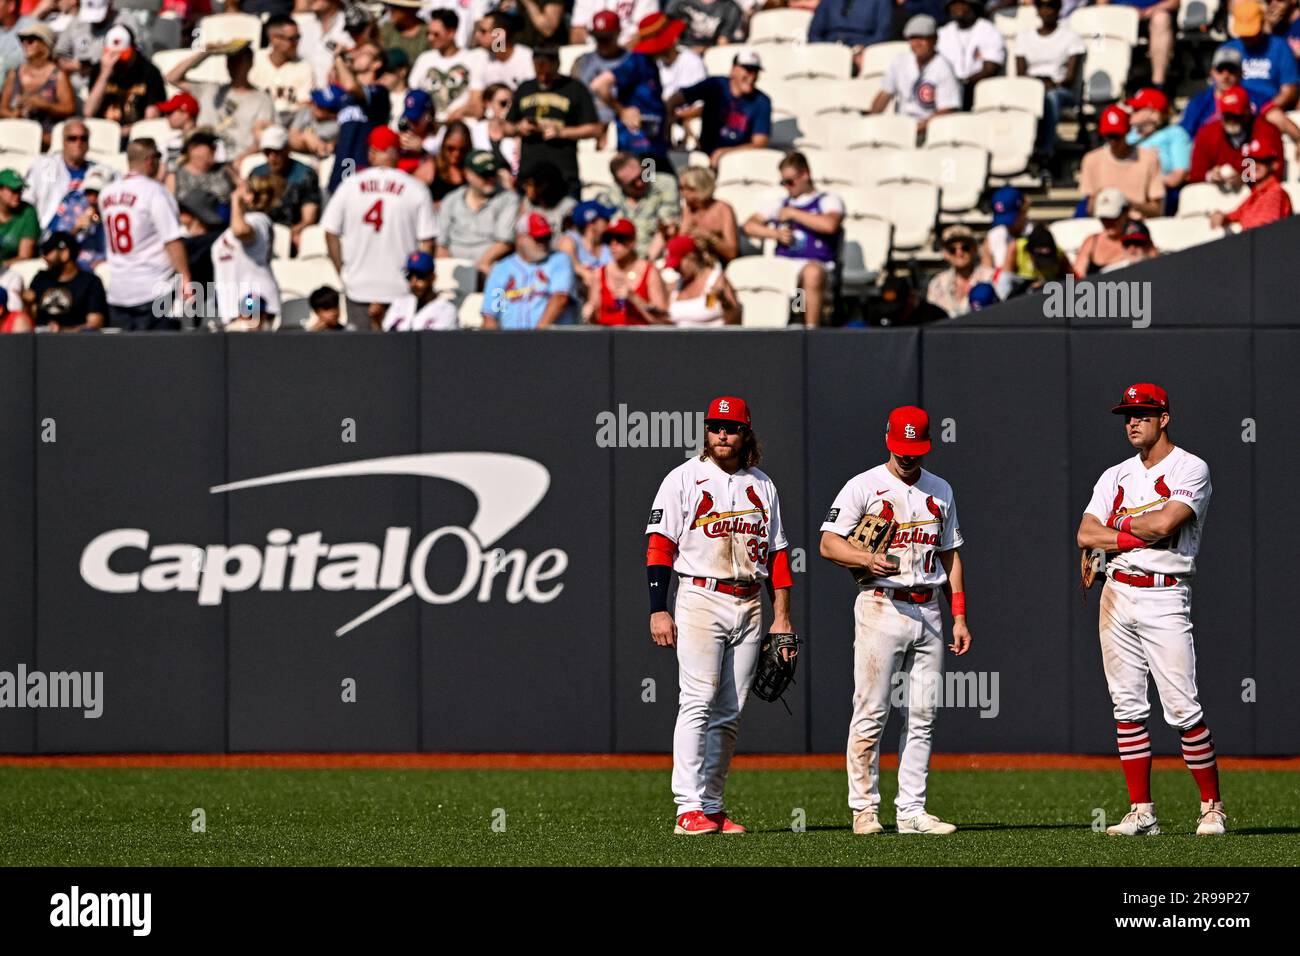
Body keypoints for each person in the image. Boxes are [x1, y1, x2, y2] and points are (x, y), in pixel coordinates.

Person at [1075, 383, 1226, 838]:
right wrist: (1132, 531)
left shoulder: (1190, 467)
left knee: (1183, 707)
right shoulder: (1114, 475)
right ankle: (1142, 812)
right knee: (1127, 707)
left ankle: (1211, 808)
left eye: (1142, 413)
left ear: (1164, 418)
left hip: (1165, 593)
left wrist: (1116, 526)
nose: (1132, 422)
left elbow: (1164, 524)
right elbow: (1085, 534)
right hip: (1116, 592)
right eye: (1127, 415)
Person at [819, 405, 971, 836]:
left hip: (929, 608)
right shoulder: (863, 485)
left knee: (923, 715)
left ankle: (911, 812)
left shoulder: (940, 489)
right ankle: (864, 810)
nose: (908, 456)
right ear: (888, 439)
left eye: (915, 448)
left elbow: (950, 555)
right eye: (901, 447)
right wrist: (866, 558)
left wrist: (958, 615)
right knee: (871, 711)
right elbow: (828, 543)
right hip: (880, 604)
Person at [646, 395, 793, 836]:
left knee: (730, 709)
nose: (722, 434)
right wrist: (658, 610)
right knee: (697, 700)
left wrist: (781, 616)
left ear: (745, 433)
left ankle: (711, 806)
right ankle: (686, 807)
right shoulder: (684, 478)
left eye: (730, 427)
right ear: (706, 432)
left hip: (750, 602)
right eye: (715, 427)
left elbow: (778, 555)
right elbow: (659, 547)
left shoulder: (763, 485)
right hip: (700, 597)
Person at [321, 126, 438, 328]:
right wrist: (418, 281)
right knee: (401, 356)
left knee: (361, 356)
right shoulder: (416, 188)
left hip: (359, 286)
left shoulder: (350, 185)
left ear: (372, 152)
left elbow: (330, 233)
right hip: (401, 288)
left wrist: (343, 271)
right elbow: (427, 242)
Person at [742, 151, 844, 327]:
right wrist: (775, 234)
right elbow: (749, 226)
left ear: (805, 175)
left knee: (809, 274)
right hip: (784, 268)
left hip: (815, 267)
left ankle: (809, 328)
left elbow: (830, 225)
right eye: (783, 182)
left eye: (790, 181)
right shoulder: (780, 203)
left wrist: (794, 214)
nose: (787, 187)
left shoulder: (827, 200)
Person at [97, 139, 190, 330]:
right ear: (149, 160)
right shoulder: (155, 192)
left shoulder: (105, 194)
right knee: (157, 357)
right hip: (153, 290)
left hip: (119, 291)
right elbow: (171, 239)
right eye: (158, 157)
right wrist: (186, 277)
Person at [590, 14, 684, 175]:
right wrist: (622, 111)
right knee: (650, 187)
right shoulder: (637, 61)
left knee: (666, 185)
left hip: (654, 147)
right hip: (640, 148)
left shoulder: (650, 63)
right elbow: (598, 85)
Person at [504, 46, 601, 196]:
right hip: (530, 175)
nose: (543, 78)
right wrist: (519, 128)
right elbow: (506, 127)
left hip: (564, 173)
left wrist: (561, 132)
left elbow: (595, 129)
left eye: (547, 73)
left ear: (557, 64)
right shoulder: (525, 88)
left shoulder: (575, 88)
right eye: (538, 72)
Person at [166, 40, 276, 160]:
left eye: (238, 61)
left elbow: (262, 140)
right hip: (202, 159)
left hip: (237, 161)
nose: (233, 65)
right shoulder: (210, 90)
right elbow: (172, 77)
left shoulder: (262, 99)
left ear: (250, 63)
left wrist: (240, 160)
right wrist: (205, 52)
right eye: (230, 60)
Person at [667, 51, 771, 172]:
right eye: (748, 69)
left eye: (756, 71)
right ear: (733, 70)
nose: (752, 76)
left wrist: (723, 153)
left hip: (739, 164)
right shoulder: (716, 85)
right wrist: (666, 134)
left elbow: (759, 143)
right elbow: (675, 99)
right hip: (704, 157)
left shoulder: (761, 102)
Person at [1015, 0, 1084, 164]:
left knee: (1050, 97)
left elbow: (1070, 77)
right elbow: (1020, 73)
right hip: (1032, 88)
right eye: (1042, 6)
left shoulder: (1071, 37)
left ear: (1059, 9)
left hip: (1061, 91)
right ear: (1037, 10)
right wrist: (1038, 85)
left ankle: (1046, 152)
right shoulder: (1024, 37)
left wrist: (1052, 84)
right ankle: (1020, 153)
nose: (1047, 10)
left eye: (1051, 5)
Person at [870, 15, 961, 138]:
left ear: (934, 39)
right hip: (901, 125)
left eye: (922, 38)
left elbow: (947, 110)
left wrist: (916, 129)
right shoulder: (900, 61)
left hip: (930, 131)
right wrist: (871, 121)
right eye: (913, 38)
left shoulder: (943, 67)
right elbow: (884, 94)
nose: (917, 43)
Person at [210, 175, 281, 331]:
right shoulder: (248, 219)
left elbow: (241, 231)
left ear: (250, 197)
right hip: (236, 304)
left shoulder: (257, 220)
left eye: (241, 190)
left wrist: (236, 200)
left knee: (251, 349)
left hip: (252, 298)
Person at [436, 149, 521, 276]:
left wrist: (475, 270)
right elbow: (441, 245)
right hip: (454, 268)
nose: (490, 179)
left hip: (488, 268)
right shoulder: (451, 200)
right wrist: (448, 272)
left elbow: (505, 242)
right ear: (467, 174)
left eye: (493, 173)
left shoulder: (508, 199)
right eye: (484, 174)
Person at [480, 211, 573, 328]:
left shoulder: (558, 259)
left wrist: (535, 337)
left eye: (547, 237)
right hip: (510, 340)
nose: (543, 243)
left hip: (550, 339)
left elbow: (560, 299)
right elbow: (492, 315)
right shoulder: (502, 268)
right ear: (520, 238)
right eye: (538, 238)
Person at [326, 42, 392, 193]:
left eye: (365, 53)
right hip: (341, 167)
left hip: (363, 171)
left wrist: (338, 58)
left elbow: (350, 85)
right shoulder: (345, 97)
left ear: (377, 64)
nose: (357, 55)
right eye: (358, 51)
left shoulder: (379, 92)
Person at [1078, 105, 1165, 218]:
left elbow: (1157, 210)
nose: (1113, 142)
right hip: (1105, 222)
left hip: (1136, 225)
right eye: (1109, 136)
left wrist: (1129, 204)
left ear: (1127, 132)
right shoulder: (1091, 160)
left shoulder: (1149, 158)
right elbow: (1090, 208)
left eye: (1116, 136)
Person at [1189, 86, 1285, 187]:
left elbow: (1277, 171)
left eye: (1235, 115)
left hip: (1257, 195)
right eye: (1227, 116)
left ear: (1247, 112)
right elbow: (1195, 175)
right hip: (1218, 198)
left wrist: (1244, 177)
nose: (1231, 120)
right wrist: (1211, 175)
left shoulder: (1266, 130)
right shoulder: (1207, 133)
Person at [23, 118, 108, 228]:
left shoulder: (101, 171)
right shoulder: (46, 166)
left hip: (87, 236)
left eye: (83, 138)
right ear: (63, 141)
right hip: (48, 234)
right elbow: (27, 200)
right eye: (72, 138)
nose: (79, 143)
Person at [596, 151, 682, 258]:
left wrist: (646, 262)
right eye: (632, 183)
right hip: (621, 259)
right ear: (619, 184)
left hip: (657, 257)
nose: (640, 183)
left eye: (642, 176)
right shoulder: (608, 198)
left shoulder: (664, 184)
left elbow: (667, 226)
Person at [586, 216, 669, 324]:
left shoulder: (649, 271)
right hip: (609, 338)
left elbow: (662, 319)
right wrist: (589, 314)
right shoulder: (599, 273)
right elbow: (595, 317)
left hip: (640, 337)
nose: (613, 244)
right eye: (609, 240)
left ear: (632, 242)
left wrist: (634, 298)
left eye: (619, 239)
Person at [1216, 0, 1298, 110]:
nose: (1247, 37)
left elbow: (1289, 91)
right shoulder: (1227, 50)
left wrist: (1266, 110)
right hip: (1235, 109)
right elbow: (1218, 89)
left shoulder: (1280, 47)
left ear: (1262, 22)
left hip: (1271, 109)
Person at [249, 126, 321, 251]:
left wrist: (285, 236)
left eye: (276, 151)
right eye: (267, 152)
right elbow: (250, 211)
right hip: (260, 234)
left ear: (287, 150)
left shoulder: (305, 175)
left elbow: (309, 218)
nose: (272, 157)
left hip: (292, 234)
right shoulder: (256, 174)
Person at [83, 24, 167, 130]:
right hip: (103, 131)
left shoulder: (149, 72)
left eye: (123, 55)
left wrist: (127, 131)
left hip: (136, 133)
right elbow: (88, 112)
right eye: (112, 55)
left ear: (134, 49)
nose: (117, 61)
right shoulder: (99, 70)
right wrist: (105, 74)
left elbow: (151, 118)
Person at [23, 231, 107, 331]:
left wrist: (62, 331)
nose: (44, 257)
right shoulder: (41, 278)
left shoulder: (91, 282)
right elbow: (29, 317)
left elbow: (94, 323)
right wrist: (25, 303)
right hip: (38, 340)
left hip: (75, 342)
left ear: (65, 253)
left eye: (48, 251)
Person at [0, 22, 73, 135]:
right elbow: (2, 108)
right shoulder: (14, 73)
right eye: (23, 41)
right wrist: (14, 115)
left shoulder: (58, 75)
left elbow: (69, 109)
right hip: (16, 133)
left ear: (45, 44)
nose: (25, 44)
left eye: (30, 41)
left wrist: (45, 106)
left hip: (45, 136)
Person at [1126, 87, 1190, 213]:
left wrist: (1147, 182)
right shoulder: (1128, 136)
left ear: (1154, 114)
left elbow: (1178, 176)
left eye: (1137, 109)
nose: (1131, 112)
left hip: (1159, 193)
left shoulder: (1175, 134)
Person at [1211, 135, 1293, 230]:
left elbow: (1265, 233)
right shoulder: (1255, 195)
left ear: (1273, 165)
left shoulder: (1275, 193)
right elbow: (1236, 214)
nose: (1255, 166)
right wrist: (1223, 216)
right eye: (1251, 161)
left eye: (1262, 160)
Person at [408, 9, 476, 123]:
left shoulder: (472, 58)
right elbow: (414, 91)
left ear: (451, 33)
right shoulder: (424, 58)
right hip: (429, 124)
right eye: (428, 33)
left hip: (461, 124)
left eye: (436, 34)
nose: (430, 38)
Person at [937, 0, 1005, 108]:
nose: (957, 7)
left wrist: (965, 83)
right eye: (953, 4)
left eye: (962, 3)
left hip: (976, 89)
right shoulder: (943, 33)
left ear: (973, 6)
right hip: (948, 89)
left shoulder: (988, 30)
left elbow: (991, 68)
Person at [1096, 0, 1177, 91]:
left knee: (1161, 19)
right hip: (1120, 15)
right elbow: (1101, 5)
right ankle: (1109, 87)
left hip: (1154, 14)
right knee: (1099, 25)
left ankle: (1158, 85)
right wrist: (1126, 11)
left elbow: (1174, 2)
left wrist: (1150, 10)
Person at [574, 11, 628, 146]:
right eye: (599, 38)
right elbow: (573, 96)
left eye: (607, 38)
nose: (603, 43)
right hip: (586, 124)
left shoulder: (631, 61)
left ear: (618, 33)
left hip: (621, 124)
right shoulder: (582, 62)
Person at [250, 13, 314, 124]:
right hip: (255, 119)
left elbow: (305, 105)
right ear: (274, 39)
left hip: (289, 122)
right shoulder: (254, 60)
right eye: (292, 39)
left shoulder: (304, 66)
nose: (297, 43)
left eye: (298, 38)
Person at [664, 234, 740, 326]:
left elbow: (736, 319)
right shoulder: (676, 286)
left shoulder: (715, 280)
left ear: (691, 256)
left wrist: (725, 303)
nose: (675, 270)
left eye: (677, 266)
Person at [46, 166, 110, 271]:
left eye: (97, 193)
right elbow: (58, 243)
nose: (93, 198)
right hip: (77, 264)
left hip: (103, 263)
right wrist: (76, 228)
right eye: (89, 192)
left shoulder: (111, 211)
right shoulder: (74, 207)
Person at [926, 223, 995, 317]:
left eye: (965, 248)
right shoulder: (937, 284)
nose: (959, 253)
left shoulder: (990, 278)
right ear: (945, 254)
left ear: (974, 249)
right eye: (952, 249)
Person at [807, 0, 893, 75]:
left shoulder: (882, 1)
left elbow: (883, 34)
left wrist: (862, 47)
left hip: (862, 51)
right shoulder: (828, 1)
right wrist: (825, 50)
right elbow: (814, 33)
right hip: (829, 50)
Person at [467, 11, 535, 104]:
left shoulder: (527, 58)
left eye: (483, 31)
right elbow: (475, 102)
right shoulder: (481, 57)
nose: (477, 35)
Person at [674, 165, 738, 263]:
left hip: (719, 263)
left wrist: (709, 237)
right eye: (681, 188)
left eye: (688, 189)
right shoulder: (688, 209)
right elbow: (680, 244)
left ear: (702, 187)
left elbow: (732, 253)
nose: (683, 193)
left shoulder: (723, 209)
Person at [382, 250, 458, 330]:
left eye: (420, 275)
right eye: (410, 275)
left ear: (432, 278)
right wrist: (376, 321)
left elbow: (438, 341)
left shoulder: (446, 310)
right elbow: (386, 338)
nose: (413, 282)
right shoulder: (399, 303)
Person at [1072, 188, 1136, 276]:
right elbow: (1077, 275)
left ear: (1125, 213)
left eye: (1113, 217)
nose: (1108, 222)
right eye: (1103, 218)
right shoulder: (1091, 242)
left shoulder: (1138, 240)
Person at [1001, 222, 1072, 293]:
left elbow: (1071, 278)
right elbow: (1006, 283)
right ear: (1029, 253)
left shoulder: (1059, 253)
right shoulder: (1016, 248)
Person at [518, 160, 576, 237]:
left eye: (529, 184)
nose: (525, 187)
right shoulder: (527, 204)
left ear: (543, 186)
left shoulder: (568, 206)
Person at [571, 0, 660, 48]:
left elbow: (647, 30)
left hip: (629, 56)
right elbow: (577, 33)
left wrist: (619, 56)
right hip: (594, 53)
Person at [868, 274, 950, 326]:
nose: (895, 313)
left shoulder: (935, 317)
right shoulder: (878, 315)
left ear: (912, 298)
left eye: (899, 309)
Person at [981, 186, 1029, 270]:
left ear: (1023, 209)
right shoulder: (993, 235)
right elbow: (986, 272)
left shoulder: (1037, 234)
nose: (1007, 224)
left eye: (1011, 217)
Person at [292, 84, 344, 159]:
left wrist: (303, 136)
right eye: (315, 101)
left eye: (320, 105)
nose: (314, 104)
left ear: (333, 114)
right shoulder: (307, 109)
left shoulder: (335, 127)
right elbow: (291, 135)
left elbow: (298, 144)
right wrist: (306, 136)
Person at [669, 0, 746, 51]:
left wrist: (704, 50)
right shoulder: (679, 2)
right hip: (680, 51)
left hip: (710, 54)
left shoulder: (730, 7)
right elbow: (668, 35)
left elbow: (723, 43)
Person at [0, 167, 38, 264]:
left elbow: (24, 256)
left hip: (11, 270)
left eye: (20, 190)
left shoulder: (27, 211)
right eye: (13, 190)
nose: (18, 195)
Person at [430, 118, 473, 202]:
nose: (456, 154)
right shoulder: (431, 167)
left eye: (463, 150)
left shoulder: (472, 170)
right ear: (443, 145)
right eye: (451, 148)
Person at [380, 0, 430, 66]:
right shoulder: (388, 28)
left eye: (395, 7)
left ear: (409, 10)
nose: (391, 11)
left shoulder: (428, 32)